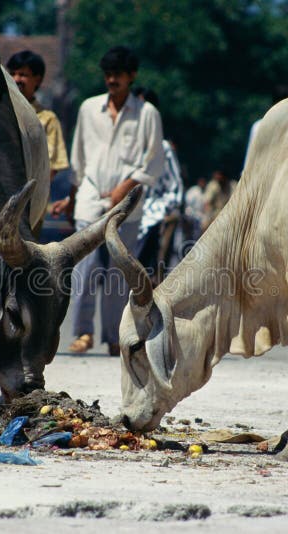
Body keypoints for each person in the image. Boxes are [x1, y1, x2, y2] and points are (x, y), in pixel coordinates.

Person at [56, 45, 164, 356]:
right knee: (85, 271)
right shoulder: (89, 109)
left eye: (118, 74)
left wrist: (125, 187)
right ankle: (84, 333)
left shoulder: (147, 114)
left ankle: (115, 338)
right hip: (91, 198)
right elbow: (78, 158)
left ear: (132, 76)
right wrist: (73, 198)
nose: (111, 79)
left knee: (119, 275)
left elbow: (153, 162)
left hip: (127, 205)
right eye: (108, 74)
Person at [131, 86, 183, 284]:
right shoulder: (126, 148)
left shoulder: (163, 149)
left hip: (153, 215)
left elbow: (175, 190)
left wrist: (159, 209)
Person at [6, 50, 69, 180]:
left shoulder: (47, 119)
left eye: (22, 74)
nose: (16, 79)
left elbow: (51, 166)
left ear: (37, 79)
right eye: (12, 74)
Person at [183, 176, 207, 246]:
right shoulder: (193, 190)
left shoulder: (205, 192)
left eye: (204, 182)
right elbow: (188, 203)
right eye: (201, 182)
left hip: (200, 217)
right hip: (190, 214)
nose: (202, 184)